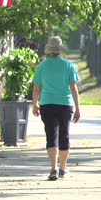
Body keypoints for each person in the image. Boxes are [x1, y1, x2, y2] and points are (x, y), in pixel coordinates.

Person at [31, 36, 81, 181]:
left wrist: (35, 105)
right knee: (64, 135)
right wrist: (78, 108)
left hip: (47, 104)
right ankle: (63, 168)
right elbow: (74, 88)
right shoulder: (69, 66)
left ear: (48, 50)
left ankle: (53, 168)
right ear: (60, 50)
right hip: (65, 105)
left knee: (51, 136)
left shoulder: (42, 66)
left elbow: (36, 88)